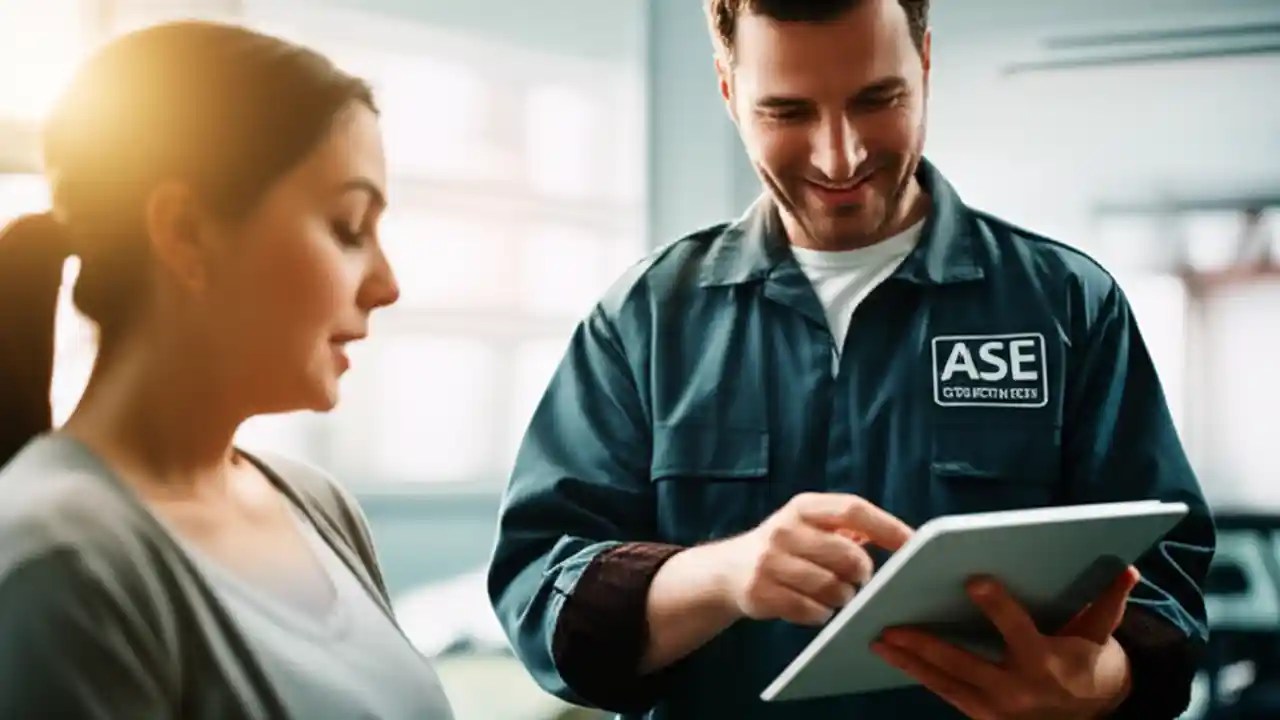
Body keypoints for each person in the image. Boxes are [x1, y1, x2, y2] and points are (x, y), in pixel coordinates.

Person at [486, 1, 1216, 718]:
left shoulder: (1066, 305)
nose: (841, 157)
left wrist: (1099, 686)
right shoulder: (645, 319)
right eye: (788, 112)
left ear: (925, 64)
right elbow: (544, 596)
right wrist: (722, 575)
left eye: (878, 100)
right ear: (727, 90)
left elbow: (1165, 581)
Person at [0, 21, 455, 719]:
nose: (386, 284)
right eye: (347, 227)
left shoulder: (318, 507)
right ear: (184, 231)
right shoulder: (59, 564)